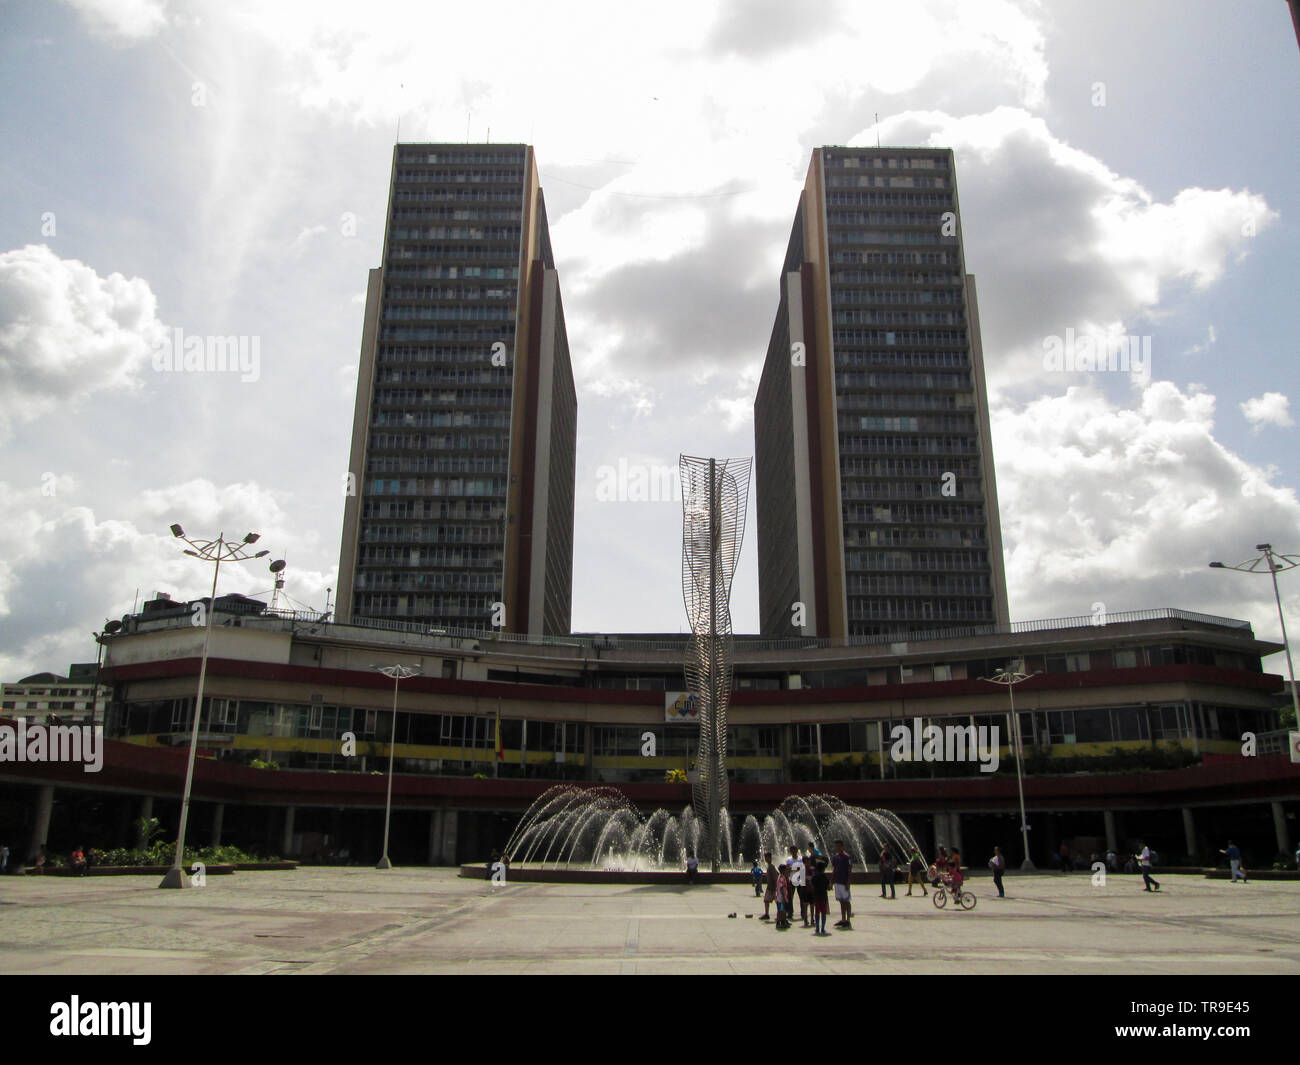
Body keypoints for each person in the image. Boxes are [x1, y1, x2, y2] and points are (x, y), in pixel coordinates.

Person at [830, 839, 853, 929]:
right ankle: (843, 919)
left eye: (839, 846)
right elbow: (834, 870)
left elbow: (849, 870)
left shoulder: (847, 857)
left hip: (844, 882)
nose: (837, 848)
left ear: (842, 847)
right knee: (841, 901)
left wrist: (848, 882)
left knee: (846, 901)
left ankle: (848, 920)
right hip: (837, 882)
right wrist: (832, 882)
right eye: (836, 846)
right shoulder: (835, 857)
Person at [788, 847, 809, 926]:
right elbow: (788, 868)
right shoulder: (789, 860)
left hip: (801, 879)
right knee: (790, 897)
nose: (793, 852)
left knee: (802, 897)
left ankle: (803, 913)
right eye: (792, 851)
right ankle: (790, 913)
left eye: (794, 851)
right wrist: (796, 868)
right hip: (792, 880)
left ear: (797, 851)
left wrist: (793, 868)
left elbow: (803, 868)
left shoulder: (800, 859)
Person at [810, 859, 831, 936]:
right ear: (824, 869)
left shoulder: (814, 877)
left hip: (816, 897)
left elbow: (812, 886)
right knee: (823, 913)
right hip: (824, 897)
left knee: (817, 913)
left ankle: (817, 928)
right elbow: (829, 887)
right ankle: (822, 928)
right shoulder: (825, 877)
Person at [761, 852, 778, 921]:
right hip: (771, 887)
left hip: (772, 887)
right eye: (765, 858)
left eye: (767, 857)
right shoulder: (770, 866)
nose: (766, 859)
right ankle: (767, 914)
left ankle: (768, 914)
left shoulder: (771, 866)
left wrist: (776, 886)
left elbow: (775, 877)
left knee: (769, 900)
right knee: (769, 901)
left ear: (770, 858)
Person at [775, 863, 791, 929]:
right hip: (781, 897)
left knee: (782, 910)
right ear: (783, 870)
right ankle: (779, 922)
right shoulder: (782, 878)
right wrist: (784, 897)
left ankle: (783, 921)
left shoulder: (781, 876)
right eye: (786, 870)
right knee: (781, 910)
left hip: (780, 897)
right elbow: (782, 888)